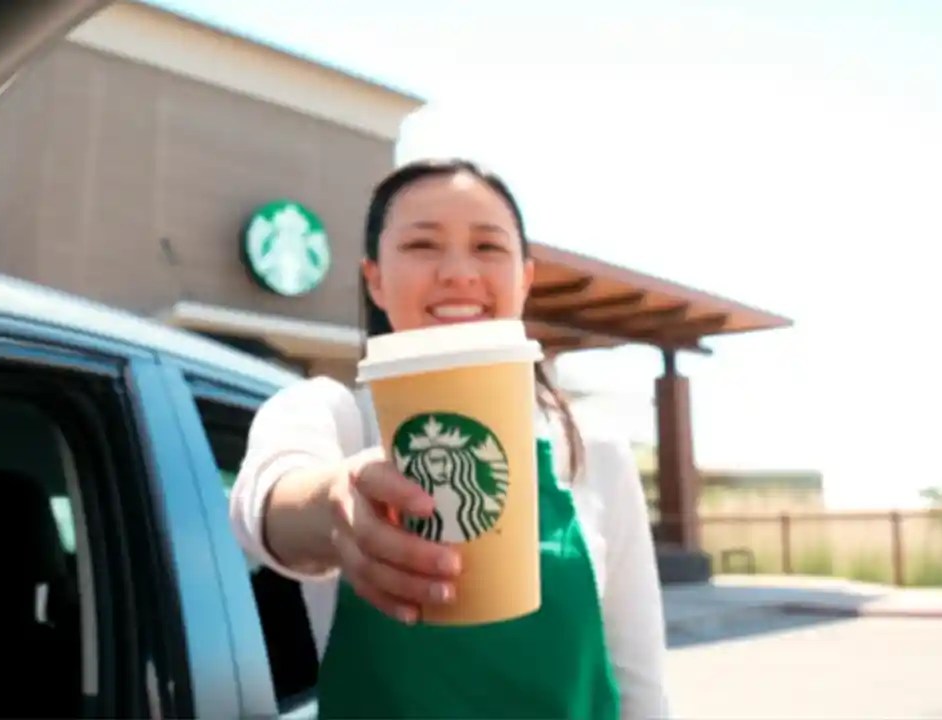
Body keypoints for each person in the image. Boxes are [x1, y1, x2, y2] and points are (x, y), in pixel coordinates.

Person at [230, 158, 669, 719]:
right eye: (422, 245)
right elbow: (264, 499)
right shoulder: (332, 415)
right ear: (375, 279)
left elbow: (641, 681)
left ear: (525, 279)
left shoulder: (594, 448)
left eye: (487, 247)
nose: (459, 273)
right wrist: (335, 506)